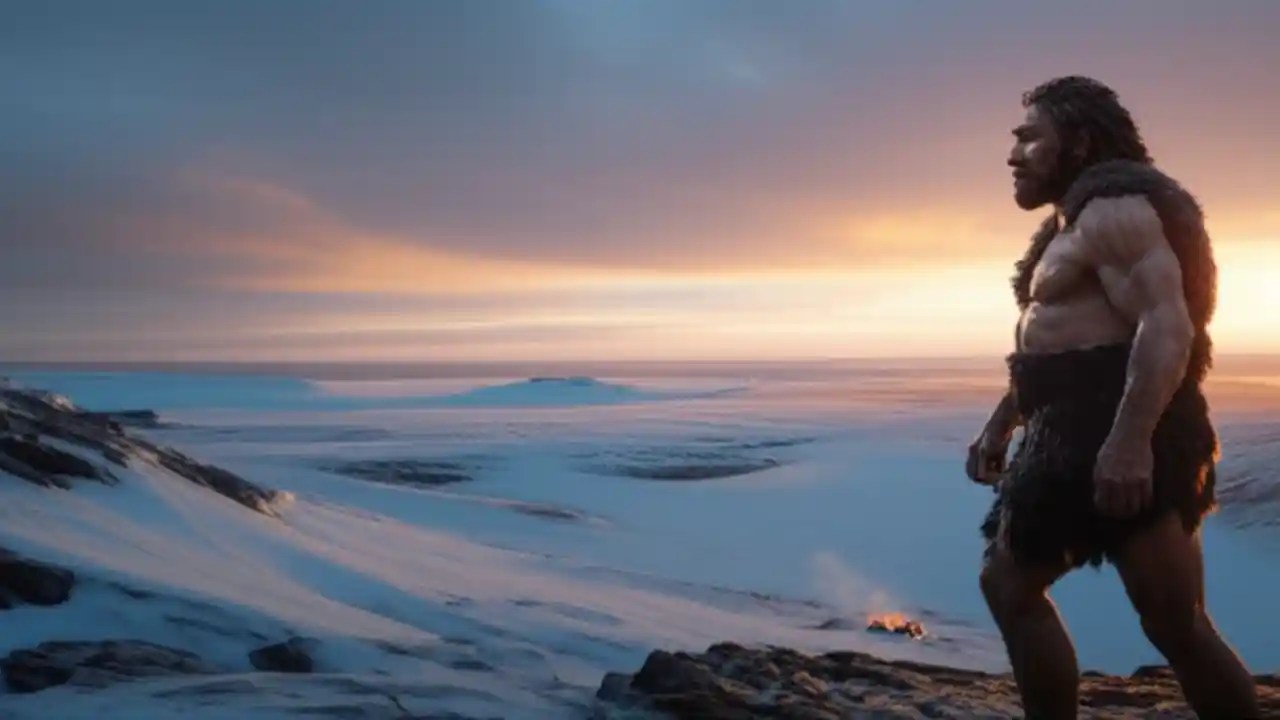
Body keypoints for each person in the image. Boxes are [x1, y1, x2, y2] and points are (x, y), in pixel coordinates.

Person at [965, 76, 1260, 719]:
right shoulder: (1071, 226)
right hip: (1077, 431)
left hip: (1113, 431)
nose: (1013, 155)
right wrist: (1002, 424)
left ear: (1079, 141)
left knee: (1164, 620)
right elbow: (1056, 346)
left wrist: (1128, 443)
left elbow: (1167, 326)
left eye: (1028, 138)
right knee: (1171, 621)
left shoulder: (1117, 212)